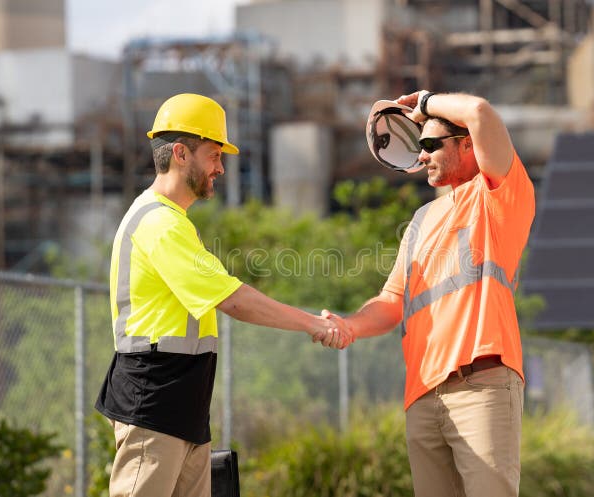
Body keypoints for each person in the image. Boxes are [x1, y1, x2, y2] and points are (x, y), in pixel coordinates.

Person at [95, 93, 350, 497]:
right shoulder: (159, 224)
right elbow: (234, 299)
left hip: (183, 409)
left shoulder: (174, 222)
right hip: (152, 406)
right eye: (214, 154)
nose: (220, 168)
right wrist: (313, 323)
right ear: (181, 153)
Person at [319, 90, 535, 497]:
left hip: (481, 385)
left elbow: (479, 111)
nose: (421, 156)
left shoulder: (498, 199)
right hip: (422, 396)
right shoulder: (421, 220)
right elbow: (390, 303)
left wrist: (426, 103)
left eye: (430, 145)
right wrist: (349, 325)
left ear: (467, 143)